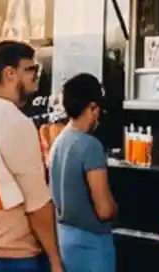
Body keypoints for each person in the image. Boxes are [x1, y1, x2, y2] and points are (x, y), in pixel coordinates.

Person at [0, 39, 64, 272]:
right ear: (9, 73)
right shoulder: (16, 123)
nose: (36, 76)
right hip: (12, 257)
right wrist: (55, 259)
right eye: (30, 69)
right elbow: (37, 203)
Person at [47, 74, 116, 272]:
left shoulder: (59, 142)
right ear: (92, 108)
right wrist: (115, 208)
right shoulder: (90, 146)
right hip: (92, 244)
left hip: (64, 238)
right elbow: (104, 209)